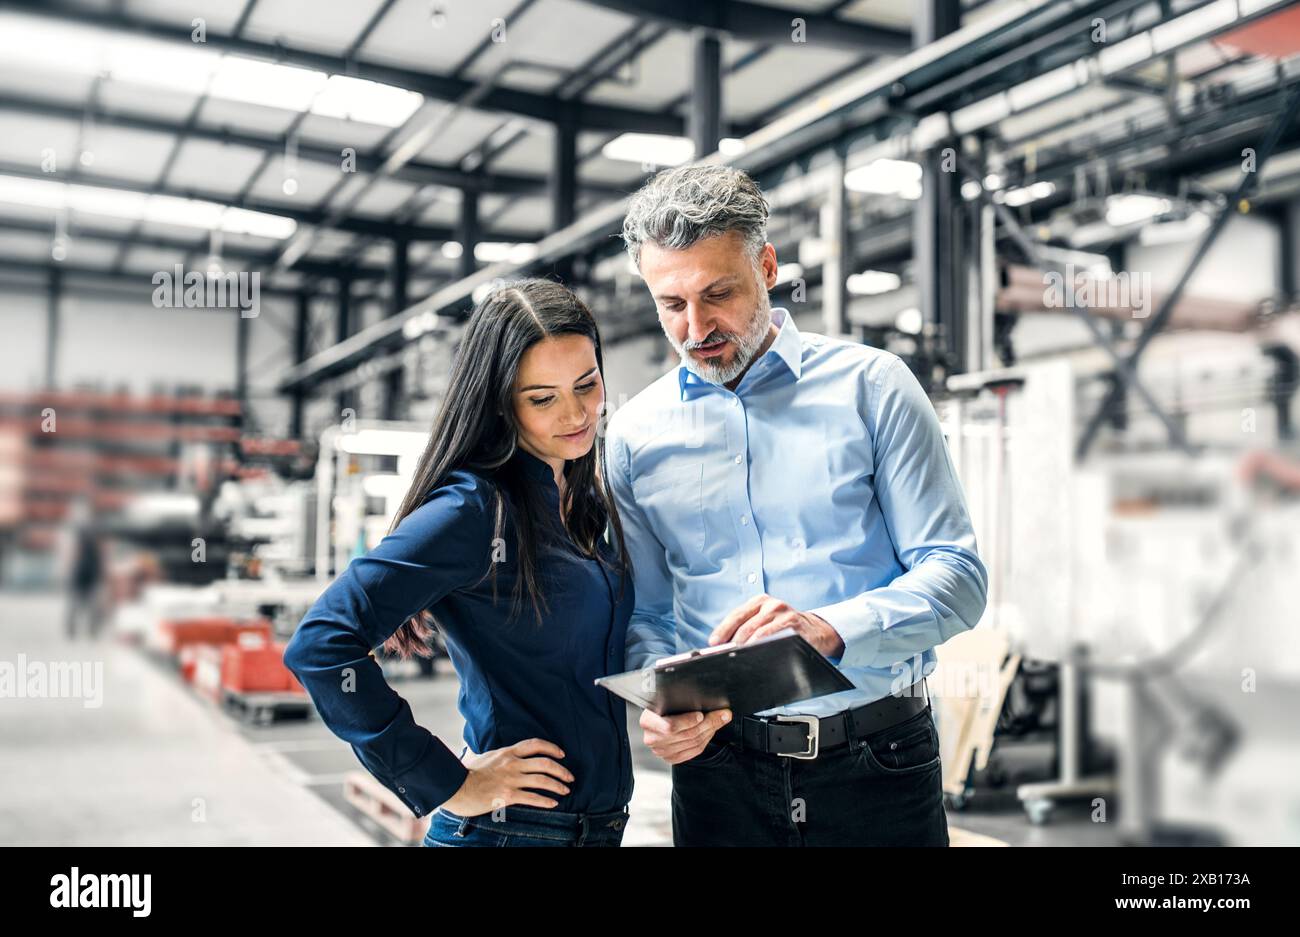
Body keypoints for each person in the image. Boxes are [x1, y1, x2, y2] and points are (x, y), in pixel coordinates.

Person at [605, 164, 989, 846]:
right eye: (671, 304)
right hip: (720, 778)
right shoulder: (634, 435)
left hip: (877, 764)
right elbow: (650, 612)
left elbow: (957, 578)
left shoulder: (874, 389)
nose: (696, 327)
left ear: (769, 265)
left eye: (718, 293)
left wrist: (831, 629)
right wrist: (665, 703)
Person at [283, 279, 635, 847]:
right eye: (542, 398)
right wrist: (445, 782)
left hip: (592, 830)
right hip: (510, 833)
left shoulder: (582, 497)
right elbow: (321, 643)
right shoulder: (474, 509)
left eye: (587, 384)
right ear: (500, 402)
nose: (575, 413)